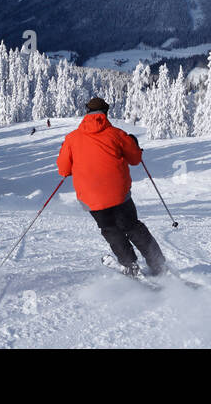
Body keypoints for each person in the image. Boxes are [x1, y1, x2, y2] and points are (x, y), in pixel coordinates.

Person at [57, 96, 166, 277]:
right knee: (132, 226)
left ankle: (129, 265)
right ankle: (158, 264)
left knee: (110, 230)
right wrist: (135, 144)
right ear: (106, 113)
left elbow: (63, 170)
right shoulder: (117, 134)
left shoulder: (72, 138)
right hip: (119, 194)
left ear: (87, 113)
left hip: (91, 198)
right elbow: (135, 159)